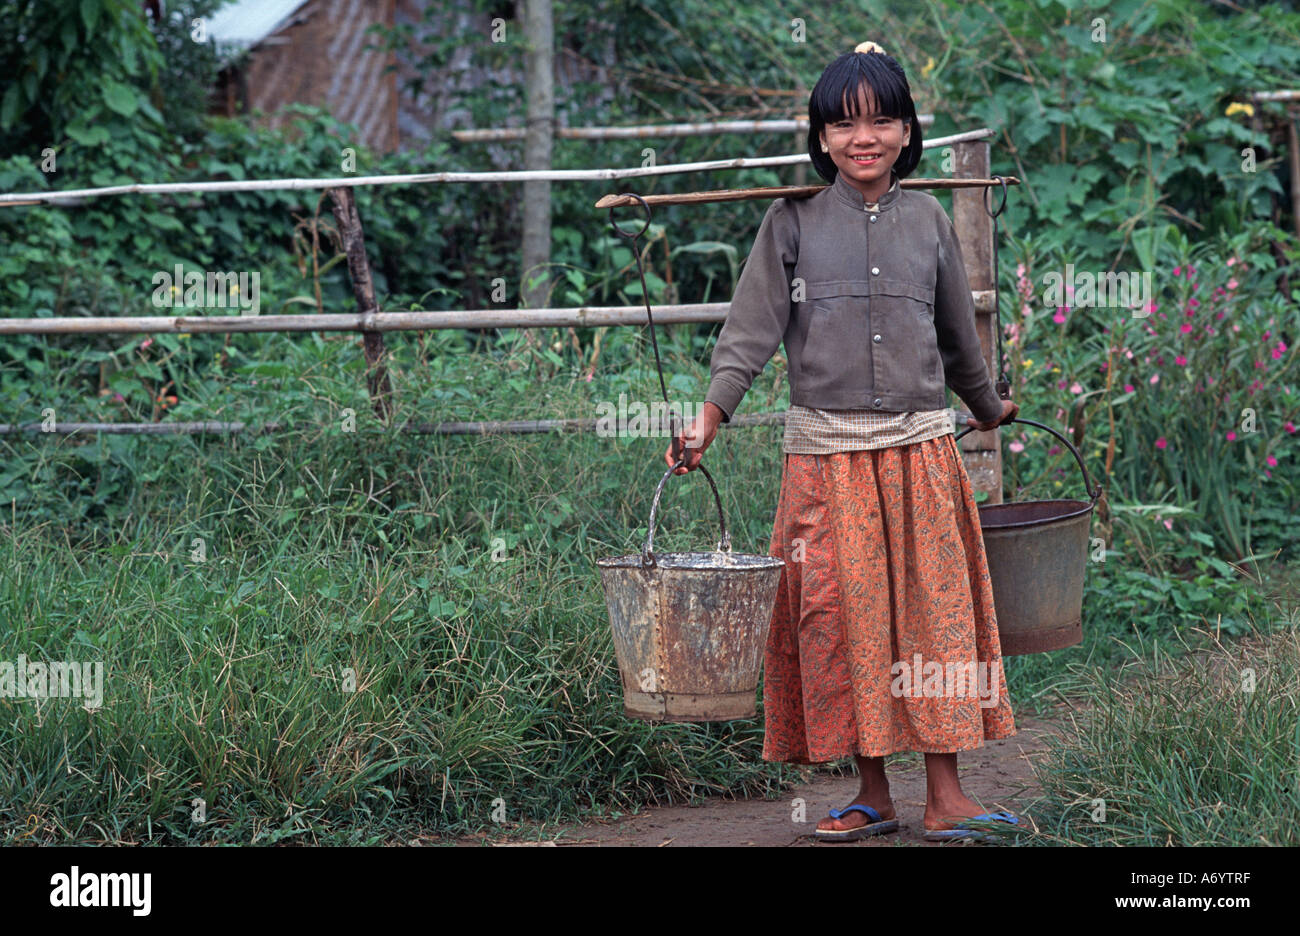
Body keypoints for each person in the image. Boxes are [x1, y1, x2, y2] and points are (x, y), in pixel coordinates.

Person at [663, 41, 1021, 843]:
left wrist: (989, 408)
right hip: (825, 463)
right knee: (841, 622)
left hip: (922, 455)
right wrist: (708, 421)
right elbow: (747, 336)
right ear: (820, 136)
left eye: (882, 120)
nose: (865, 137)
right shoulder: (790, 221)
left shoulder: (928, 220)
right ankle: (870, 794)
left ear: (906, 132)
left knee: (934, 622)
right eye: (845, 123)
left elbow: (960, 341)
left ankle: (947, 795)